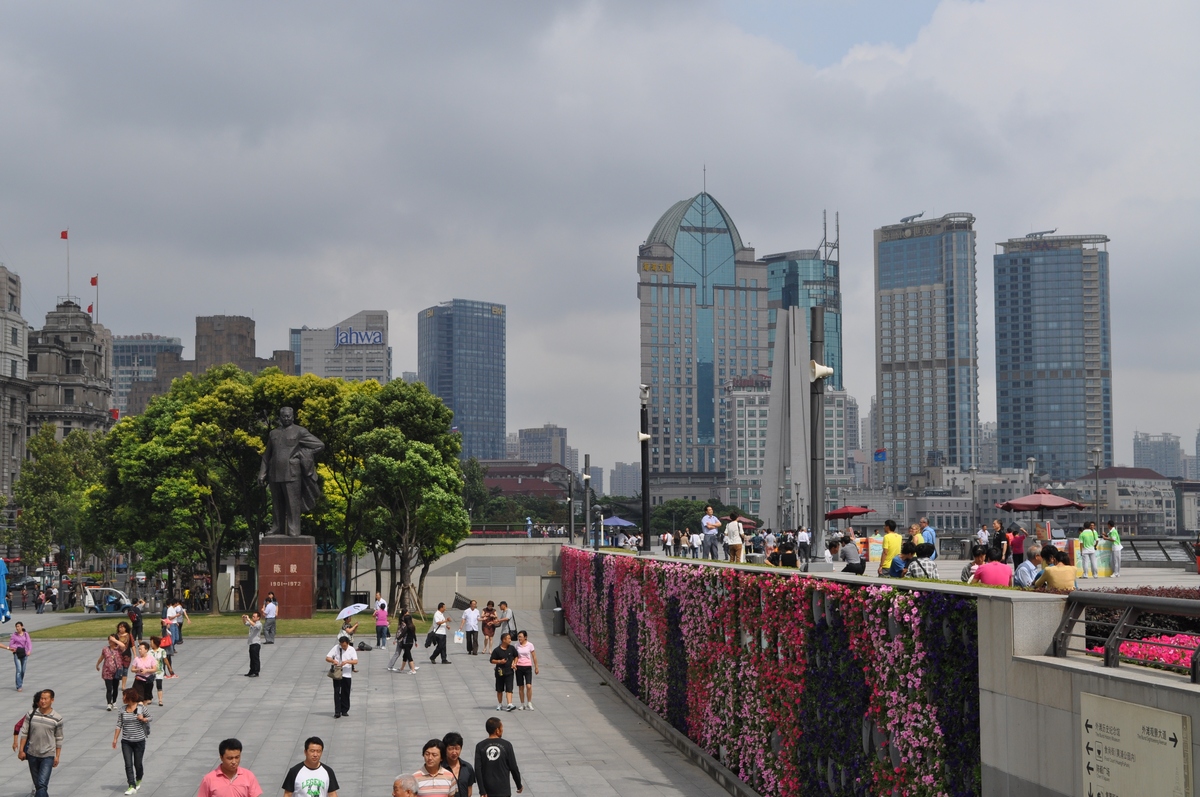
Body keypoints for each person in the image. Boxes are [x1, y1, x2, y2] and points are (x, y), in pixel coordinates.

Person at [258, 406, 325, 538]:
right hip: (274, 473)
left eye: (289, 416)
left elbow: (319, 445)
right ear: (280, 417)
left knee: (292, 502)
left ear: (293, 417)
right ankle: (277, 527)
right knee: (277, 503)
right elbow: (267, 455)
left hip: (292, 472)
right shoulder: (273, 433)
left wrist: (301, 454)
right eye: (284, 416)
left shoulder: (300, 431)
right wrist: (262, 473)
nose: (286, 418)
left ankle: (294, 528)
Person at [18, 688, 63, 797]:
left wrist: (57, 756)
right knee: (39, 785)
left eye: (45, 699)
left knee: (42, 784)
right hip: (32, 753)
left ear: (52, 700)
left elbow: (59, 738)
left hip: (48, 755)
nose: (43, 701)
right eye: (41, 698)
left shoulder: (57, 718)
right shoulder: (31, 714)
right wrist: (21, 750)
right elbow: (24, 732)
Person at [112, 687, 151, 795]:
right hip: (126, 741)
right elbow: (119, 724)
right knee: (128, 764)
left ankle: (139, 778)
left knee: (137, 764)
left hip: (139, 741)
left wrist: (144, 719)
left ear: (129, 697)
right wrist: (115, 738)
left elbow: (150, 717)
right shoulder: (122, 709)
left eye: (124, 695)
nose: (123, 697)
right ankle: (131, 785)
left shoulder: (141, 708)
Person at [196, 738, 263, 797]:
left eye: (237, 757)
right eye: (230, 758)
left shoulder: (248, 776)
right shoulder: (208, 780)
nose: (234, 762)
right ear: (221, 757)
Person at [474, 717, 523, 797]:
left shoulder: (480, 746)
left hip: (487, 790)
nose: (502, 730)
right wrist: (519, 784)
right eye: (501, 727)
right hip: (503, 790)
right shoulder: (507, 745)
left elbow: (477, 769)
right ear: (497, 730)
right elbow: (513, 767)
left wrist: (482, 790)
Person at [326, 635, 357, 718]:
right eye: (342, 645)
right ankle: (337, 711)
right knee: (337, 692)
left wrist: (347, 662)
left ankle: (345, 710)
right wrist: (333, 660)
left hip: (347, 674)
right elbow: (327, 658)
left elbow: (355, 661)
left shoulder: (352, 649)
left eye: (345, 646)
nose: (343, 647)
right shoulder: (336, 648)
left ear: (348, 643)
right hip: (338, 674)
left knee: (346, 692)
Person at [491, 632, 518, 712]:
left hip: (509, 672)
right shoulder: (497, 650)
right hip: (500, 672)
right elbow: (492, 660)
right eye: (509, 638)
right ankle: (499, 704)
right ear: (503, 640)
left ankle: (509, 704)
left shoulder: (512, 648)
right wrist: (499, 661)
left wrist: (514, 663)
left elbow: (516, 656)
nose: (510, 640)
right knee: (499, 689)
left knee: (509, 688)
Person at [442, 732, 476, 797]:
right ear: (445, 749)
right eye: (451, 749)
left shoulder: (467, 767)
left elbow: (469, 791)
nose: (454, 752)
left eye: (457, 748)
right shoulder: (440, 768)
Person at [1, 620, 31, 691]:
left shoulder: (26, 634)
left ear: (22, 626)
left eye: (18, 626)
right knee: (19, 670)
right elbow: (11, 644)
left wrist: (29, 651)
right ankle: (19, 686)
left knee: (23, 670)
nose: (17, 628)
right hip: (17, 653)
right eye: (16, 627)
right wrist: (16, 647)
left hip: (24, 653)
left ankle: (20, 681)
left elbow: (29, 643)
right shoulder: (14, 635)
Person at [513, 630, 539, 711]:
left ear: (525, 637)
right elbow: (515, 656)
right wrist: (514, 664)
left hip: (527, 666)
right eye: (518, 637)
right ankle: (522, 704)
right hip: (519, 667)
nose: (519, 638)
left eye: (520, 637)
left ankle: (529, 702)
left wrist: (536, 667)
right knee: (521, 686)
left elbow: (534, 656)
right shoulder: (516, 645)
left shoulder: (530, 645)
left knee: (528, 686)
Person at [97, 635, 124, 709]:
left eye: (111, 640)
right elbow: (101, 657)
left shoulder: (119, 649)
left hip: (117, 671)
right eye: (109, 640)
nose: (110, 641)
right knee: (109, 688)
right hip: (107, 671)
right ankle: (109, 703)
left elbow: (123, 645)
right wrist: (97, 664)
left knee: (115, 687)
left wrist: (115, 640)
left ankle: (114, 702)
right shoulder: (105, 649)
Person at [149, 636, 170, 705]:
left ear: (155, 643)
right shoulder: (149, 652)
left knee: (159, 685)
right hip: (151, 671)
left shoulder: (162, 651)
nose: (150, 644)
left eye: (151, 642)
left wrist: (170, 669)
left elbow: (165, 660)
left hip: (159, 671)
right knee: (150, 685)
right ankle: (149, 698)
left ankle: (160, 700)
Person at [242, 611, 263, 677]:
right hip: (251, 643)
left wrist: (249, 619)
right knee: (251, 658)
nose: (253, 617)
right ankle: (251, 670)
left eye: (254, 616)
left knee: (255, 658)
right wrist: (244, 618)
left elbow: (255, 626)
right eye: (252, 616)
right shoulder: (252, 623)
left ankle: (256, 672)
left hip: (256, 643)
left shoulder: (259, 624)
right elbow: (246, 623)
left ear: (258, 618)